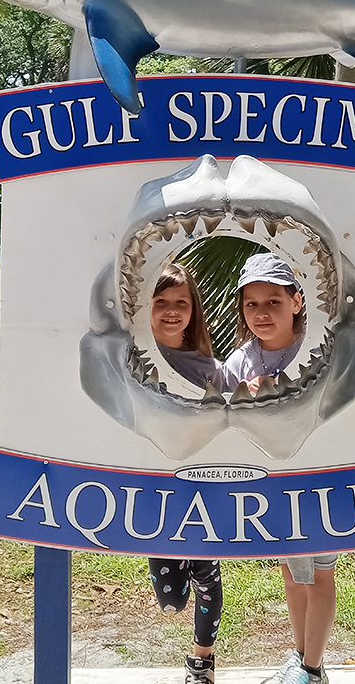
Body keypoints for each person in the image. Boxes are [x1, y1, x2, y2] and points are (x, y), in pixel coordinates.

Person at [223, 252, 337, 684]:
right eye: (251, 303)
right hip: (272, 484)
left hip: (321, 481)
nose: (262, 312)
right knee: (291, 570)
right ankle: (302, 658)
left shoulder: (320, 349)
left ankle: (311, 666)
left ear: (297, 301)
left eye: (273, 300)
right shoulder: (239, 363)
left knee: (321, 572)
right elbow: (225, 420)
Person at [148, 263, 223, 684]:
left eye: (182, 302)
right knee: (172, 598)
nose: (172, 311)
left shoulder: (206, 367)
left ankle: (202, 661)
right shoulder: (129, 357)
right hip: (153, 493)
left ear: (194, 309)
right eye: (161, 302)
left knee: (207, 579)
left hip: (201, 489)